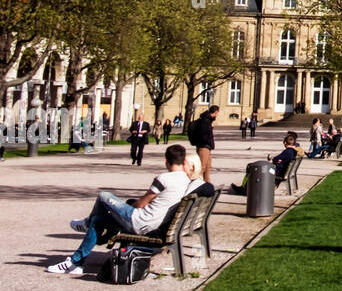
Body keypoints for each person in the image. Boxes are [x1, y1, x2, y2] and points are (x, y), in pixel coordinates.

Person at [46, 143, 204, 275]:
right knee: (98, 221)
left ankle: (86, 225)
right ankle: (76, 263)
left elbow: (141, 204)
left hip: (140, 221)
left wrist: (128, 207)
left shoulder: (163, 178)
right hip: (156, 224)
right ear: (183, 161)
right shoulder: (186, 180)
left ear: (166, 161)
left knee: (104, 196)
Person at [229, 132, 303, 195]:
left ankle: (244, 189)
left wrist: (272, 160)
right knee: (255, 167)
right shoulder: (293, 151)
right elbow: (280, 159)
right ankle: (246, 188)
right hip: (280, 171)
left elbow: (277, 159)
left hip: (276, 171)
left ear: (285, 142)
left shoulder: (287, 151)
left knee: (251, 167)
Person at [188, 105, 218, 184]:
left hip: (206, 146)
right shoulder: (205, 121)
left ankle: (207, 184)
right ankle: (194, 184)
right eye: (217, 114)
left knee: (207, 167)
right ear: (216, 112)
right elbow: (203, 134)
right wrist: (207, 141)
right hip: (203, 146)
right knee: (201, 167)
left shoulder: (207, 120)